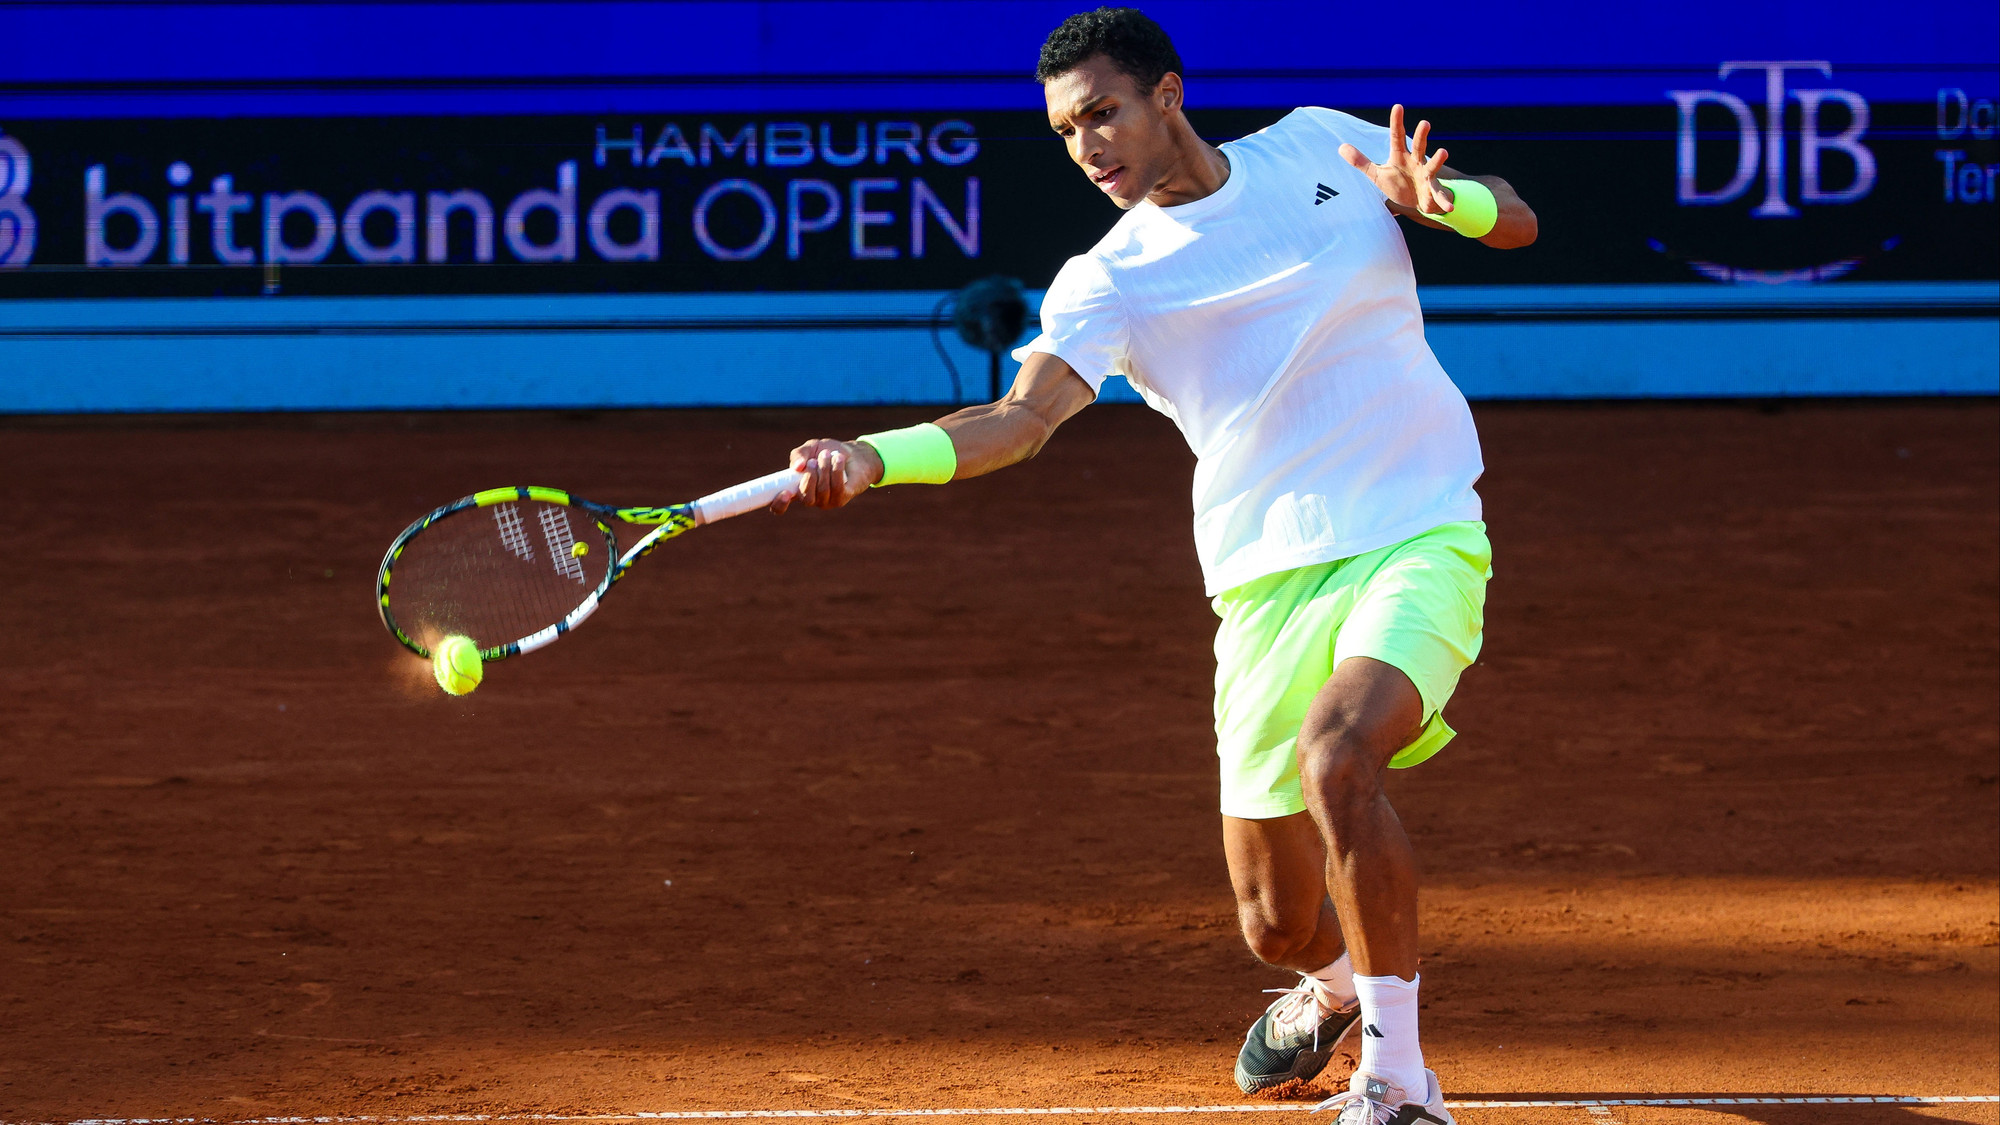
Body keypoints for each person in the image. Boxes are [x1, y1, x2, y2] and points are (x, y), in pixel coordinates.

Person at [770, 8, 1536, 1123]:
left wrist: (1445, 203)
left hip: (1415, 530)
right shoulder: (1106, 279)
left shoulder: (1319, 148)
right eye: (1065, 131)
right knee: (1272, 919)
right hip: (1263, 582)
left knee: (1336, 758)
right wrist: (871, 457)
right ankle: (1327, 982)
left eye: (1101, 113)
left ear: (1164, 96)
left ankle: (1398, 1080)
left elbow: (1514, 219)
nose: (1087, 146)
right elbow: (1017, 419)